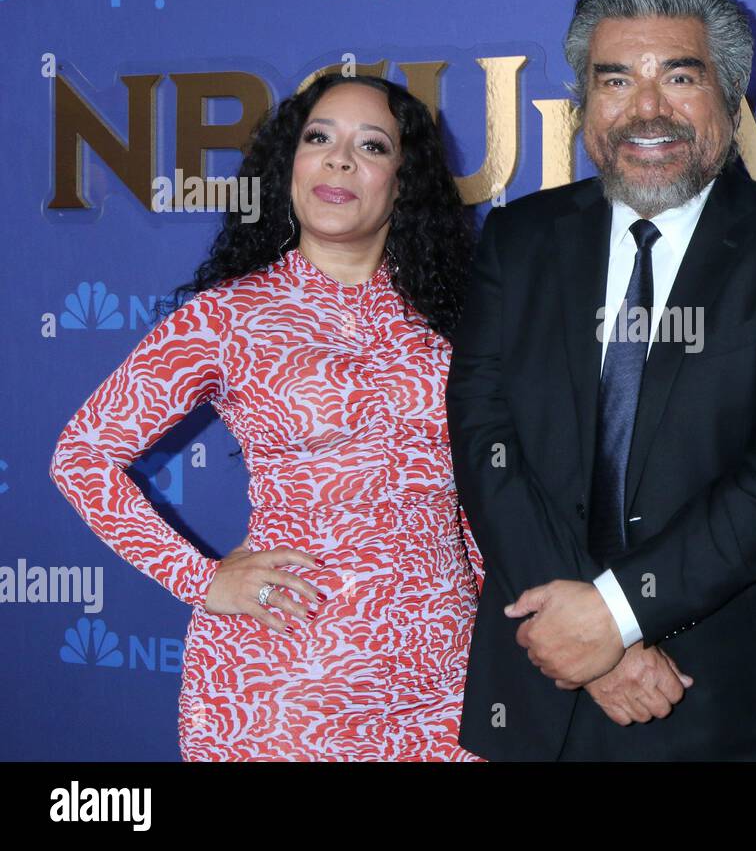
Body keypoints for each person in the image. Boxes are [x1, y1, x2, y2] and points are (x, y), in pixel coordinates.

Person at [446, 0, 756, 760]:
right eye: (613, 80)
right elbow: (484, 439)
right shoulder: (518, 240)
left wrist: (615, 615)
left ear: (729, 96)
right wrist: (583, 639)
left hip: (736, 688)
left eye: (678, 77)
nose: (646, 110)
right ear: (582, 102)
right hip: (545, 681)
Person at [49, 73, 482, 761]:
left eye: (371, 145)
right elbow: (82, 456)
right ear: (291, 167)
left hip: (446, 687)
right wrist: (203, 579)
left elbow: (468, 494)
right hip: (282, 688)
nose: (340, 159)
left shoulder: (451, 322)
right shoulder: (229, 318)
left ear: (404, 183)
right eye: (320, 138)